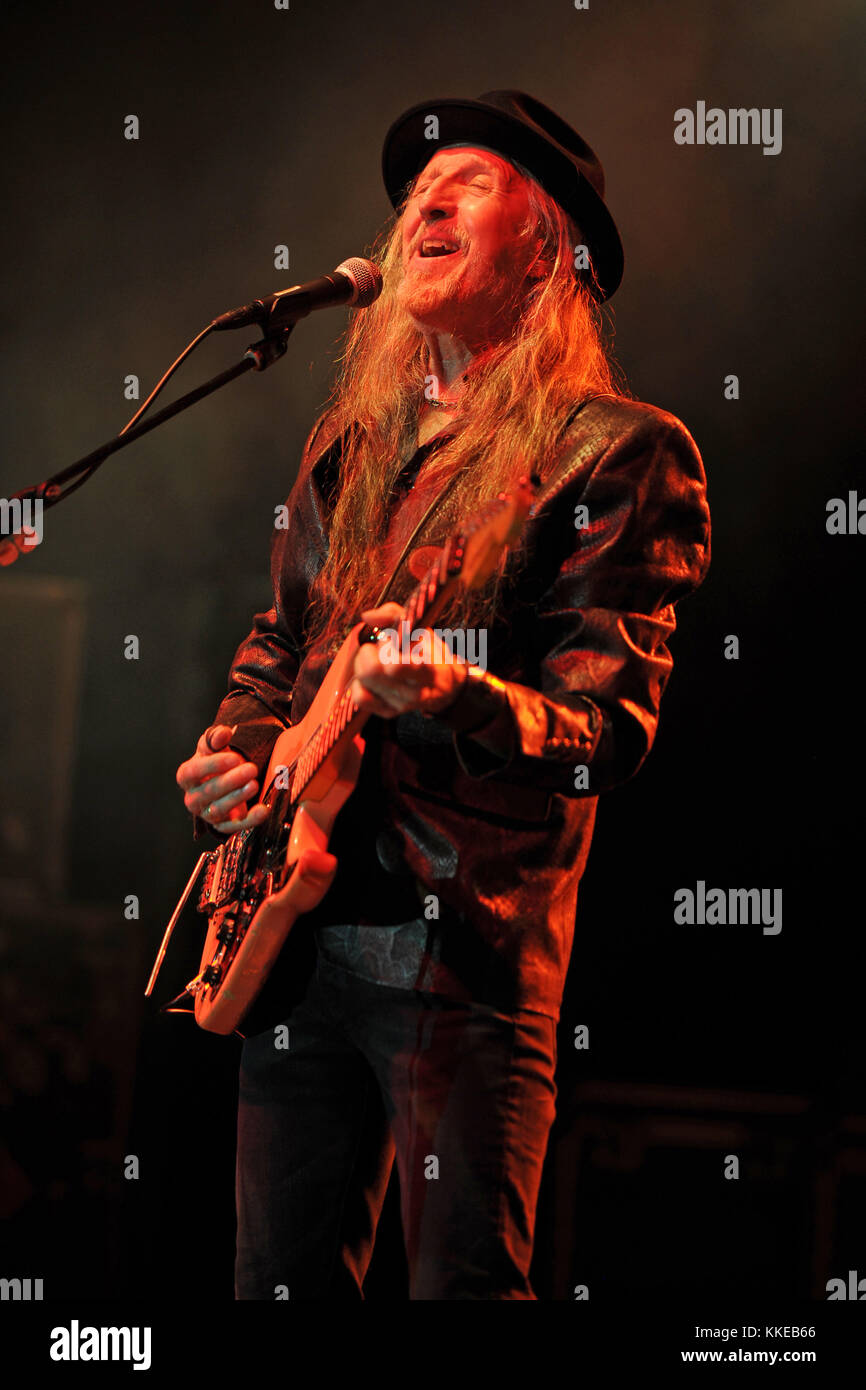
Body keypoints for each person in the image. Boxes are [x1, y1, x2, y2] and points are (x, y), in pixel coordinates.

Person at [175, 90, 711, 1300]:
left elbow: (606, 733)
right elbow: (284, 646)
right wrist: (238, 750)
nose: (426, 197)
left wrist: (459, 696)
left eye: (469, 180)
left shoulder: (616, 452)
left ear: (547, 241)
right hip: (291, 924)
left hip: (459, 952)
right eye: (418, 188)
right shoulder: (353, 446)